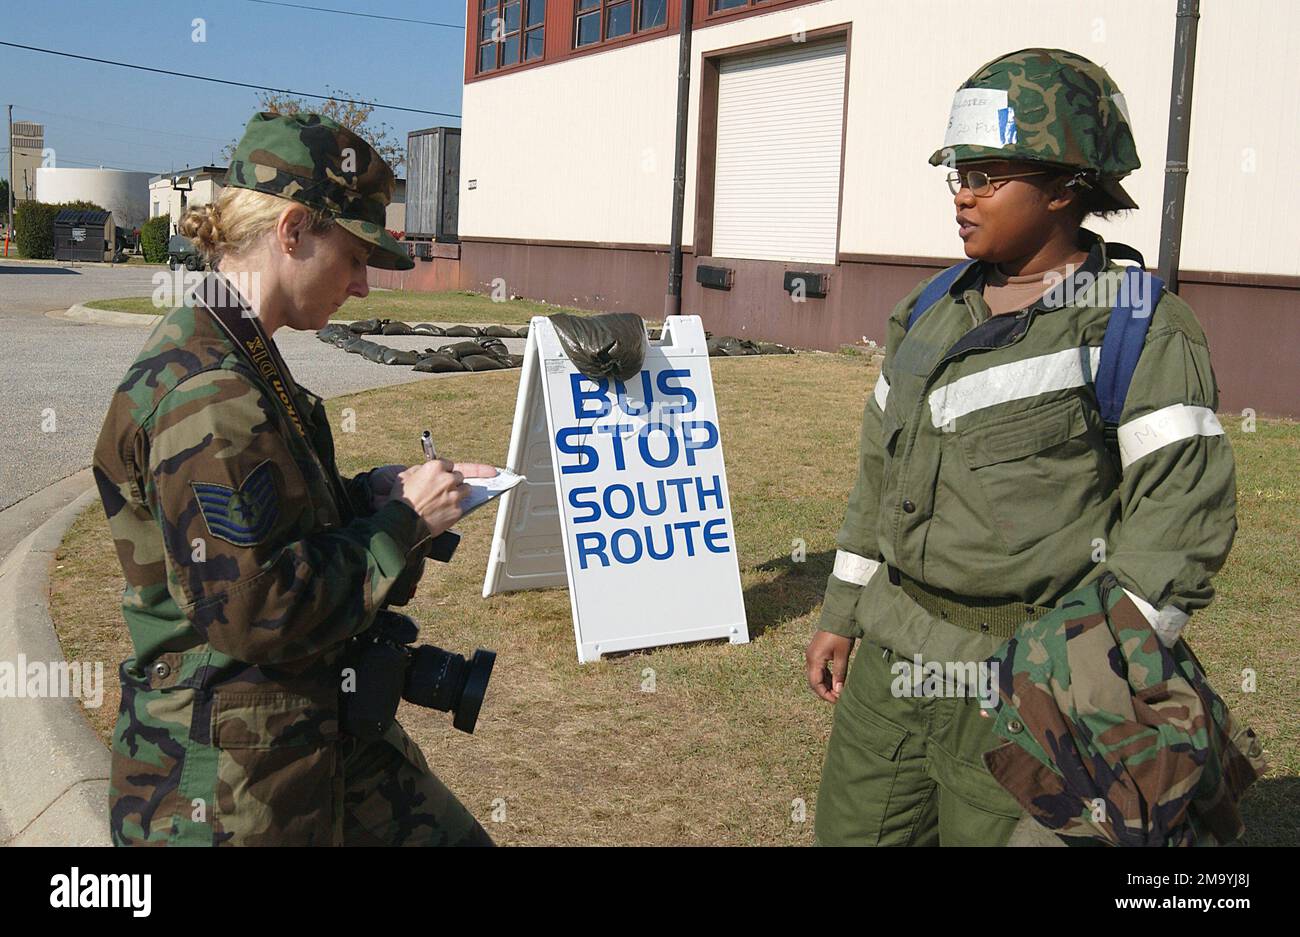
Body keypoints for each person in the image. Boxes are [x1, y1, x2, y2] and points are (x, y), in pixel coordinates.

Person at [805, 49, 1237, 846]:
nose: (963, 195)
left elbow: (1180, 521)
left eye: (989, 176)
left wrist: (1091, 673)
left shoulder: (1136, 328)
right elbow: (878, 472)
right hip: (894, 660)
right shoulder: (928, 309)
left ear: (1066, 187)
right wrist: (842, 610)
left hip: (1023, 679)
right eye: (958, 174)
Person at [93, 111, 497, 846]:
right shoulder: (209, 394)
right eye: (353, 257)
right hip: (227, 790)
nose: (364, 285)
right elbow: (256, 604)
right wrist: (400, 521)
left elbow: (272, 529)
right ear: (293, 231)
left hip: (300, 743)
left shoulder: (236, 352)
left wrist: (367, 495)